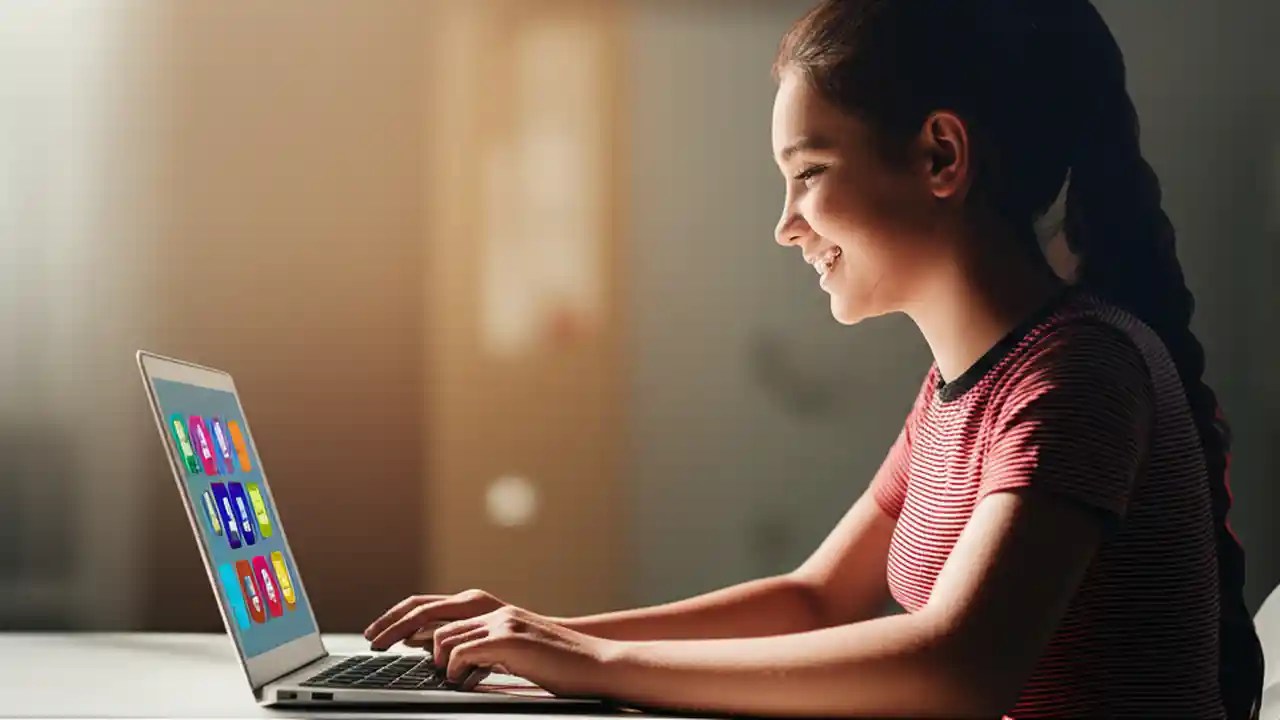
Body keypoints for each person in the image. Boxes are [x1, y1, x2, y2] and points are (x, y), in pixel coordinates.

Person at [363, 0, 1264, 716]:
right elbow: (815, 599)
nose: (787, 225)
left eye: (809, 173)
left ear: (941, 155)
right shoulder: (966, 388)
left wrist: (596, 661)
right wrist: (543, 636)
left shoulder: (1077, 375)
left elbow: (960, 667)